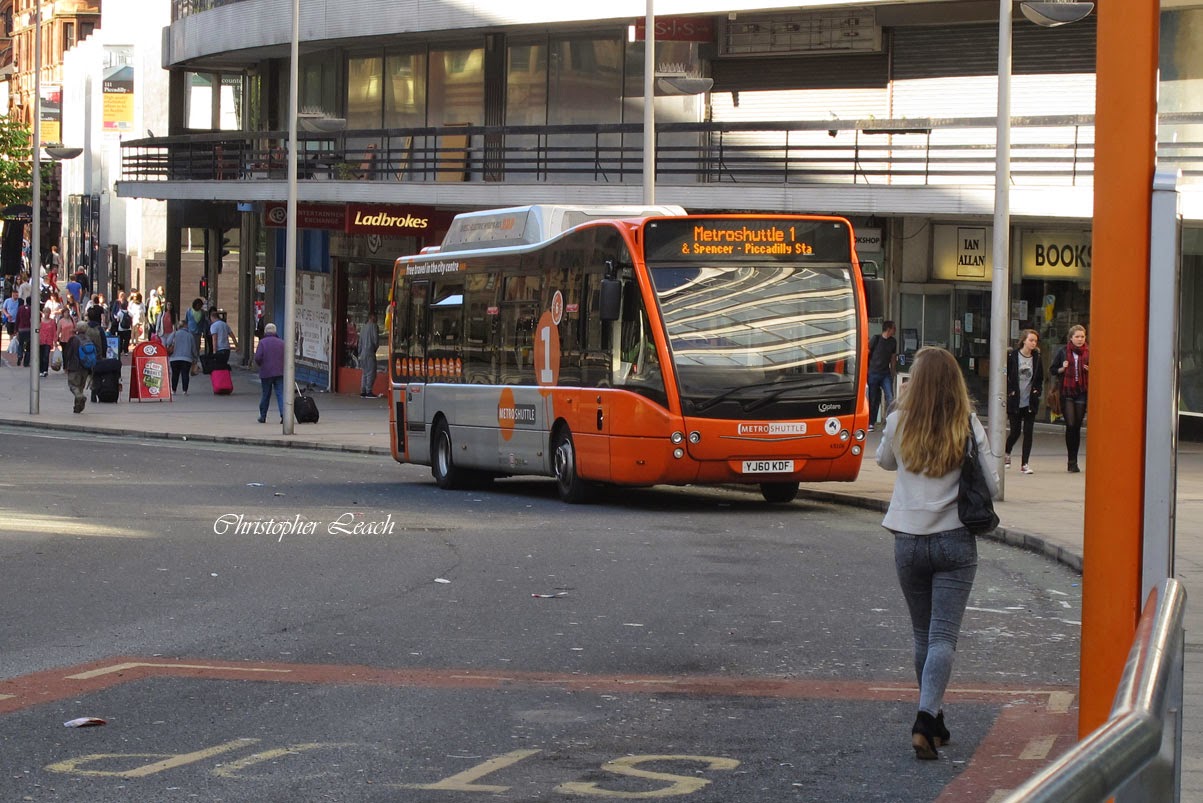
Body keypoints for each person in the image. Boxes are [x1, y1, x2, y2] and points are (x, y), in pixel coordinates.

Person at [876, 346, 999, 761]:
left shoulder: (897, 421)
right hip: (955, 540)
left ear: (915, 381)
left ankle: (935, 718)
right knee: (943, 637)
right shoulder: (966, 423)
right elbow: (992, 486)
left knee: (921, 635)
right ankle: (926, 718)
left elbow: (884, 462)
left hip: (907, 540)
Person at [1050, 324, 1089, 473]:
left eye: (1082, 337)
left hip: (1082, 391)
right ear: (1071, 338)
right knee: (1070, 424)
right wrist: (1062, 368)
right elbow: (1053, 370)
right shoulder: (1063, 352)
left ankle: (1074, 461)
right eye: (1077, 337)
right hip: (1067, 391)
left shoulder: (1089, 352)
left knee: (1077, 426)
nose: (1080, 340)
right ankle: (1070, 460)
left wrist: (1090, 369)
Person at [1005, 329, 1044, 474]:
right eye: (1031, 340)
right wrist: (1010, 391)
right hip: (1015, 400)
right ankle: (1007, 452)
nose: (1033, 343)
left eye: (1035, 341)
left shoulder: (1037, 357)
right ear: (1024, 341)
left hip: (1030, 400)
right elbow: (1006, 375)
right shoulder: (1013, 356)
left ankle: (1025, 463)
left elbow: (1040, 378)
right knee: (1015, 431)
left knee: (1028, 432)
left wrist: (1037, 391)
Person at [64, 311, 105, 414]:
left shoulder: (74, 339)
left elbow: (67, 353)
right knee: (80, 387)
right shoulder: (88, 339)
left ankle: (79, 397)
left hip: (75, 367)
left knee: (73, 385)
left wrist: (65, 365)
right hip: (86, 367)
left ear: (77, 329)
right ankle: (77, 407)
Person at [866, 320, 898, 432]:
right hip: (873, 372)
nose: (895, 330)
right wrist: (866, 370)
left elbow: (893, 358)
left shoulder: (893, 342)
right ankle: (871, 422)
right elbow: (867, 353)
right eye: (894, 328)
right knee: (873, 398)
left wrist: (893, 372)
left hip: (885, 373)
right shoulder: (876, 339)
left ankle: (890, 421)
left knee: (890, 397)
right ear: (889, 329)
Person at [254, 322, 286, 423]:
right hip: (279, 372)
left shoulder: (263, 342)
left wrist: (261, 365)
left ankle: (263, 416)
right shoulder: (282, 343)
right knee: (280, 394)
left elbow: (258, 357)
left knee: (266, 394)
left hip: (266, 372)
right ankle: (284, 414)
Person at [163, 324, 197, 395]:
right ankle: (185, 390)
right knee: (185, 374)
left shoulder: (174, 334)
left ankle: (173, 390)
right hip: (187, 358)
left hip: (174, 358)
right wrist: (195, 357)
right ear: (185, 326)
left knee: (175, 374)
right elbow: (193, 348)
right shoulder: (190, 335)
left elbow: (168, 342)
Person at [358, 313, 379, 397]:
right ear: (371, 318)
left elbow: (360, 342)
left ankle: (363, 390)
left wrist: (359, 352)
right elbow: (375, 340)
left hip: (363, 353)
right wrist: (374, 349)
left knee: (364, 372)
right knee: (371, 372)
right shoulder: (374, 326)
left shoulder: (363, 328)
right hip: (370, 352)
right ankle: (368, 390)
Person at [37, 309, 56, 377]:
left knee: (46, 355)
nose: (47, 314)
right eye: (45, 312)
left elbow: (54, 331)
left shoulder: (52, 322)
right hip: (41, 340)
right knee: (41, 356)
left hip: (48, 340)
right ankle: (41, 370)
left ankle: (45, 370)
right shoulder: (40, 321)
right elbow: (37, 330)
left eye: (48, 312)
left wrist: (55, 340)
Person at [15, 299, 32, 367]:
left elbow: (17, 319)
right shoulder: (31, 309)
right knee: (28, 346)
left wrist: (16, 329)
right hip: (28, 329)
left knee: (20, 344)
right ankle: (26, 362)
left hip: (21, 328)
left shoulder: (20, 308)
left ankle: (20, 355)